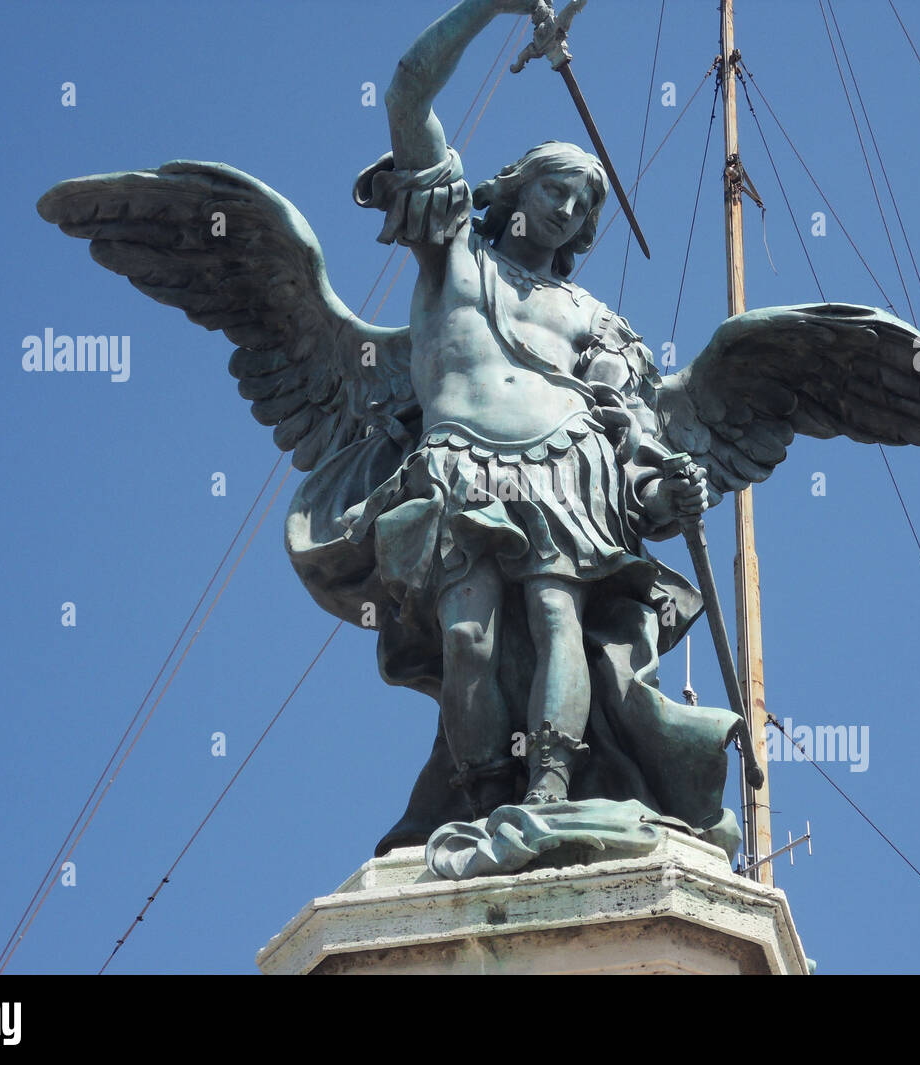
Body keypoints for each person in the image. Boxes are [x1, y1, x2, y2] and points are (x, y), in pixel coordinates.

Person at [285, 0, 742, 858]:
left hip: (567, 473)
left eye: (582, 202)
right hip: (459, 470)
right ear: (517, 186)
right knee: (469, 638)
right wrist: (488, 7)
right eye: (555, 188)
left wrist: (667, 487)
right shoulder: (451, 251)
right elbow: (407, 96)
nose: (567, 208)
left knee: (561, 622)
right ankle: (484, 794)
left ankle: (553, 788)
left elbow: (630, 436)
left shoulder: (590, 317)